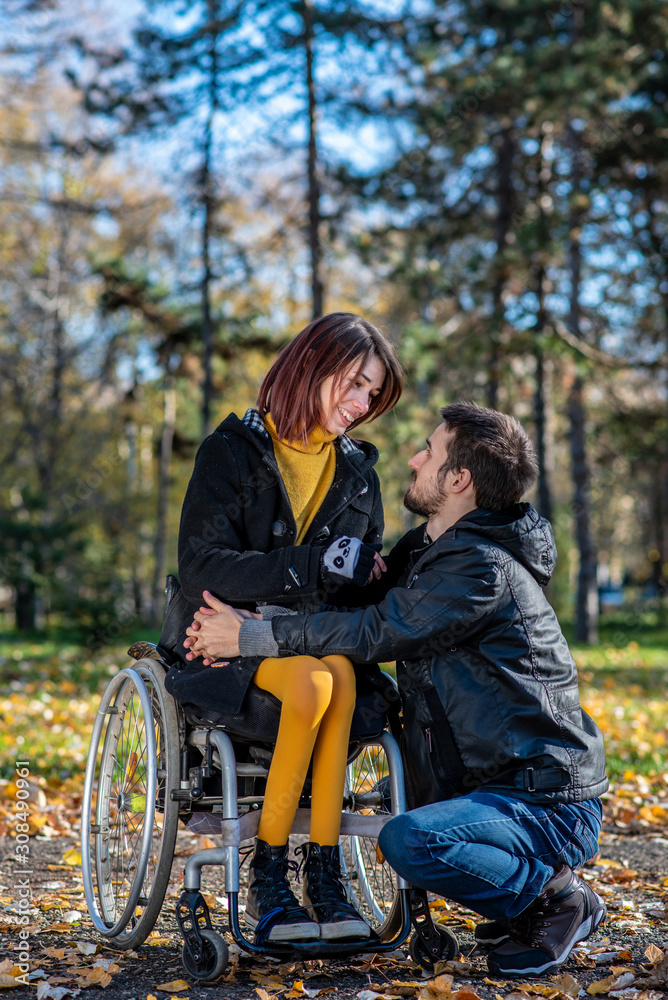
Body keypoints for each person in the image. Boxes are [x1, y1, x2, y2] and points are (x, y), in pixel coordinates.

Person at [185, 401, 609, 979]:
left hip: (543, 797)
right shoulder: (430, 553)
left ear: (458, 480)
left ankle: (555, 897)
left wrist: (252, 636)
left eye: (428, 451)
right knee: (405, 818)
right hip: (490, 787)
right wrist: (230, 616)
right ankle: (518, 899)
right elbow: (353, 604)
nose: (412, 459)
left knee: (409, 840)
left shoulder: (478, 568)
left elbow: (378, 630)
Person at [160, 312, 403, 945]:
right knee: (313, 689)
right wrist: (310, 567)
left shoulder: (357, 472)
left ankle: (323, 876)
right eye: (353, 384)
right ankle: (270, 874)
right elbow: (203, 566)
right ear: (312, 367)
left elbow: (347, 585)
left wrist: (369, 574)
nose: (361, 404)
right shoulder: (231, 451)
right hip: (219, 641)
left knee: (342, 682)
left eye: (371, 394)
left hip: (312, 637)